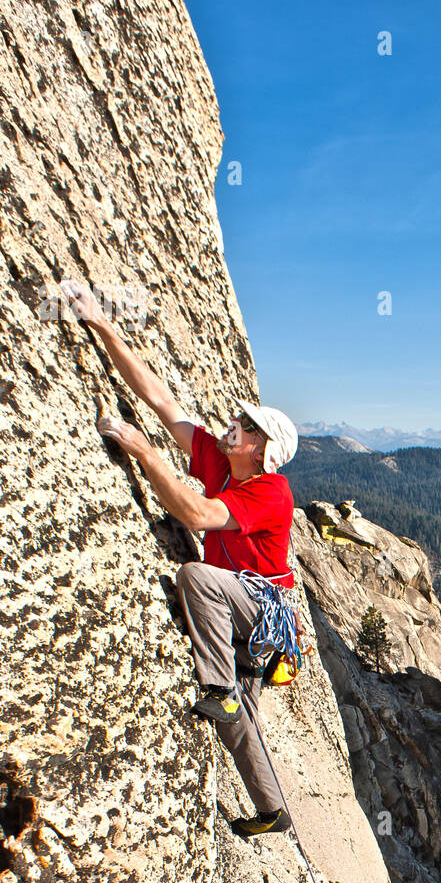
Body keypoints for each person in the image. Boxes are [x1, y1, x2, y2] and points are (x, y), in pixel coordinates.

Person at [60, 280, 299, 837]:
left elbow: (194, 516)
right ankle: (272, 810)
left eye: (244, 427)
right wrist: (101, 323)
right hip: (249, 612)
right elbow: (161, 399)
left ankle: (218, 690)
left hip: (261, 607)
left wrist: (140, 450)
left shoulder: (271, 493)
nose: (230, 425)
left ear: (260, 451)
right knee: (243, 722)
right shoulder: (221, 462)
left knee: (197, 576)